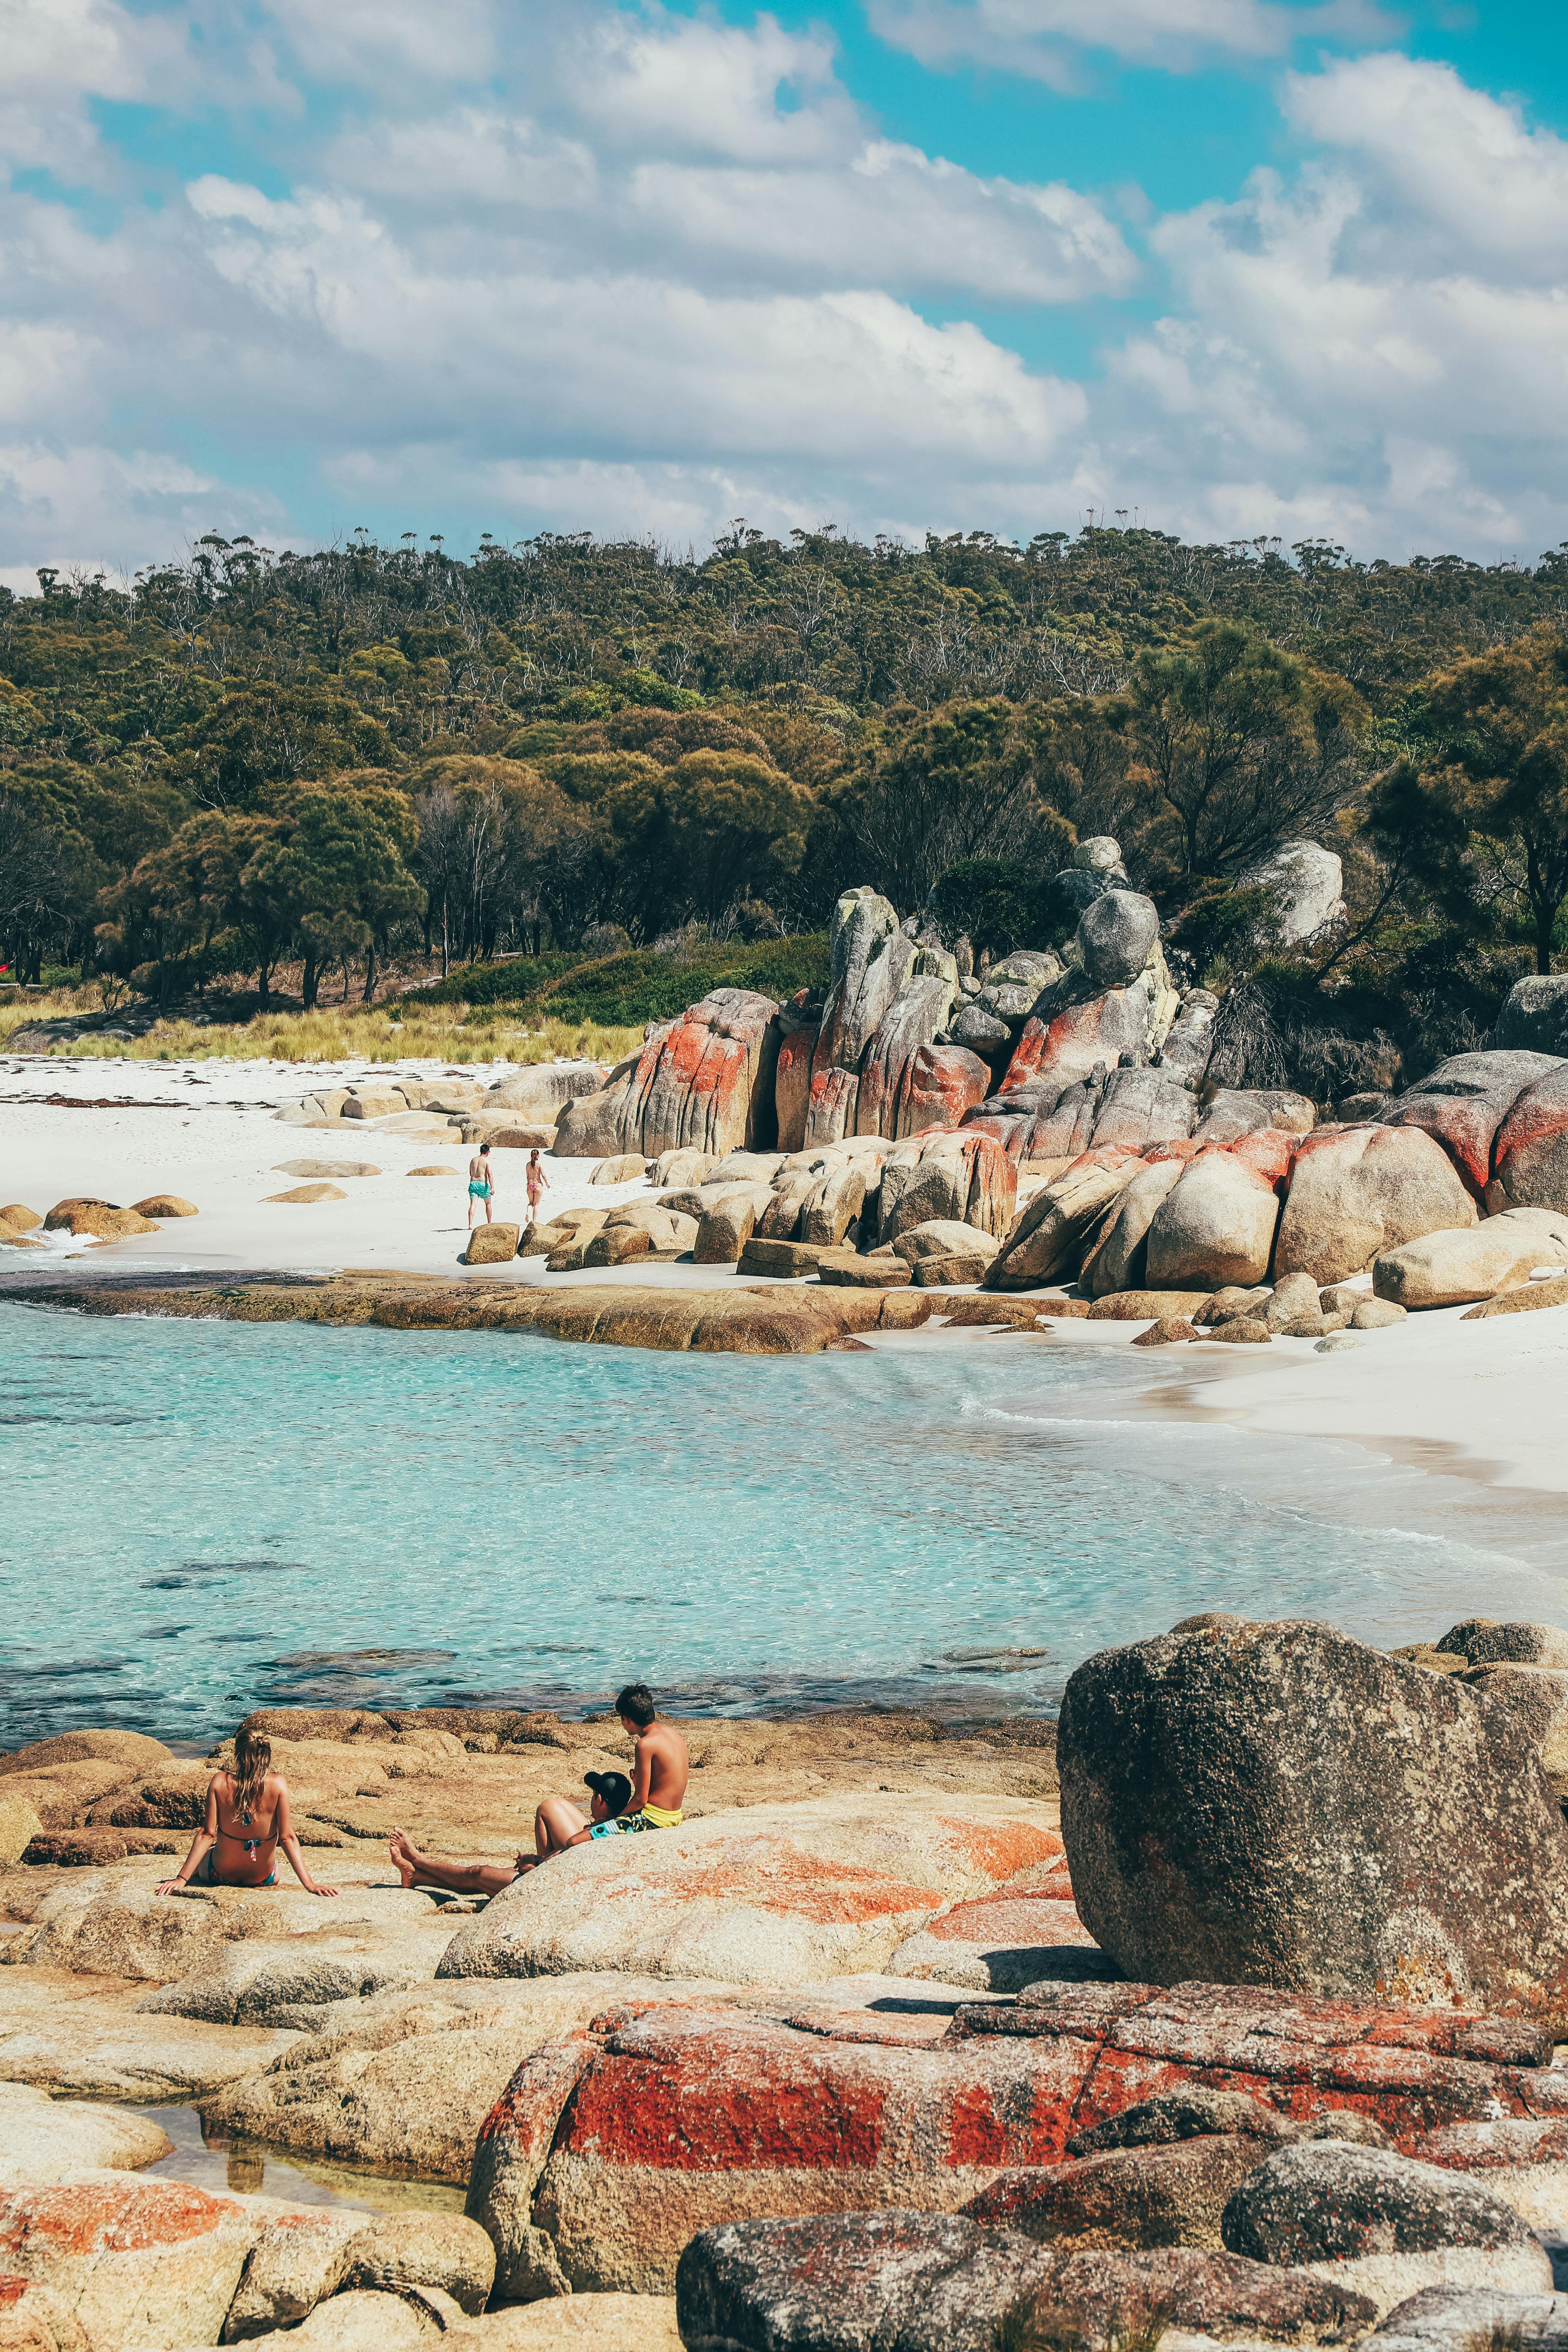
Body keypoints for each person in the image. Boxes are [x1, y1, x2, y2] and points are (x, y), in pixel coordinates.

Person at [388, 1683, 689, 1893]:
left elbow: (640, 1799)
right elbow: (665, 1784)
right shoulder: (671, 1734)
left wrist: (614, 1820)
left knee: (489, 1873)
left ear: (627, 1719)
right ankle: (418, 1872)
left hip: (652, 1820)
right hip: (672, 1816)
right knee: (488, 1874)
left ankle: (419, 1866)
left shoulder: (645, 1744)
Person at [156, 1727, 338, 1898]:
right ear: (267, 1755)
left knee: (209, 1852)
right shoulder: (278, 1784)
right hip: (264, 1878)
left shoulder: (220, 1782)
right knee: (274, 1863)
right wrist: (310, 1885)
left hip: (218, 1875)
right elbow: (287, 1838)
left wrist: (181, 1879)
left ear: (237, 1754)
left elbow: (207, 1834)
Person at [388, 1769, 634, 1895]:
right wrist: (537, 1861)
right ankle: (416, 1876)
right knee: (496, 1875)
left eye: (593, 1795)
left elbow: (569, 1853)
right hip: (561, 1869)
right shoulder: (616, 1827)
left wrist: (537, 1862)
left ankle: (420, 1861)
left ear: (599, 1800)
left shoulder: (589, 1836)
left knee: (478, 1874)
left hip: (551, 1885)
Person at [468, 1141, 496, 1230]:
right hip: (483, 1184)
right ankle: (489, 1223)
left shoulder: (473, 1160)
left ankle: (470, 1224)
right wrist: (492, 1188)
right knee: (488, 1204)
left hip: (473, 1183)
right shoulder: (487, 1161)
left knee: (473, 1205)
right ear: (488, 1152)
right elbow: (490, 1175)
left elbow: (470, 1173)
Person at [525, 1148, 550, 1225]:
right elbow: (543, 1175)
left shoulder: (528, 1165)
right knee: (536, 1204)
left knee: (531, 1203)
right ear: (538, 1156)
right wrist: (547, 1183)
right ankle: (534, 1221)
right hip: (538, 1185)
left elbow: (528, 1177)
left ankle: (528, 1213)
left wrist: (529, 1184)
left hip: (530, 1185)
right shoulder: (539, 1164)